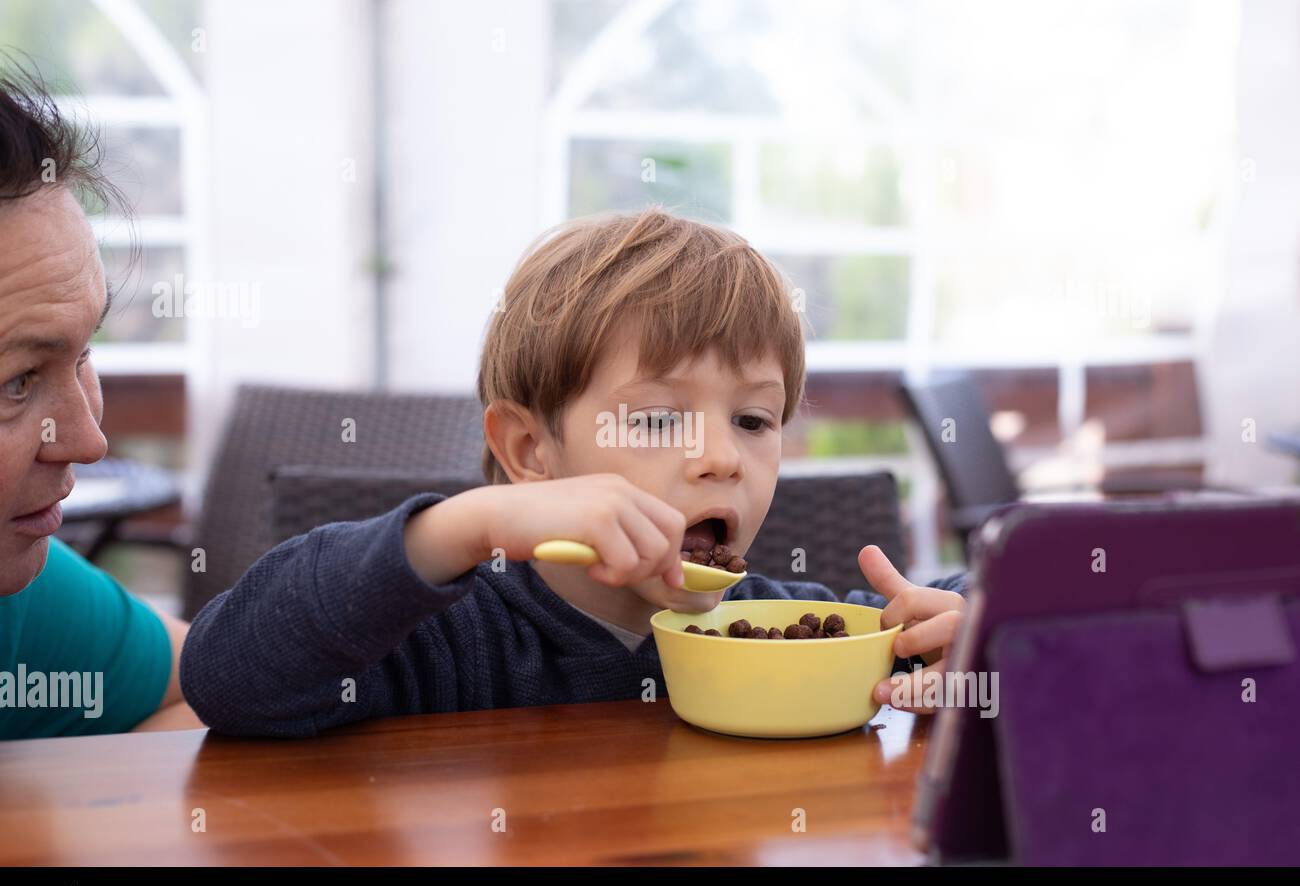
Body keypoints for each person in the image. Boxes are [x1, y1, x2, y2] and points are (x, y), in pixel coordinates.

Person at [180, 208, 967, 738]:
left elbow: (1001, 636)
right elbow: (225, 675)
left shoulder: (792, 631)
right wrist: (463, 524)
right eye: (660, 417)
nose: (723, 457)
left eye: (754, 421)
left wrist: (973, 646)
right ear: (529, 453)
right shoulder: (451, 639)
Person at [0, 62, 197, 738]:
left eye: (84, 354)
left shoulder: (21, 600)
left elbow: (200, 694)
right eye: (17, 380)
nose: (88, 440)